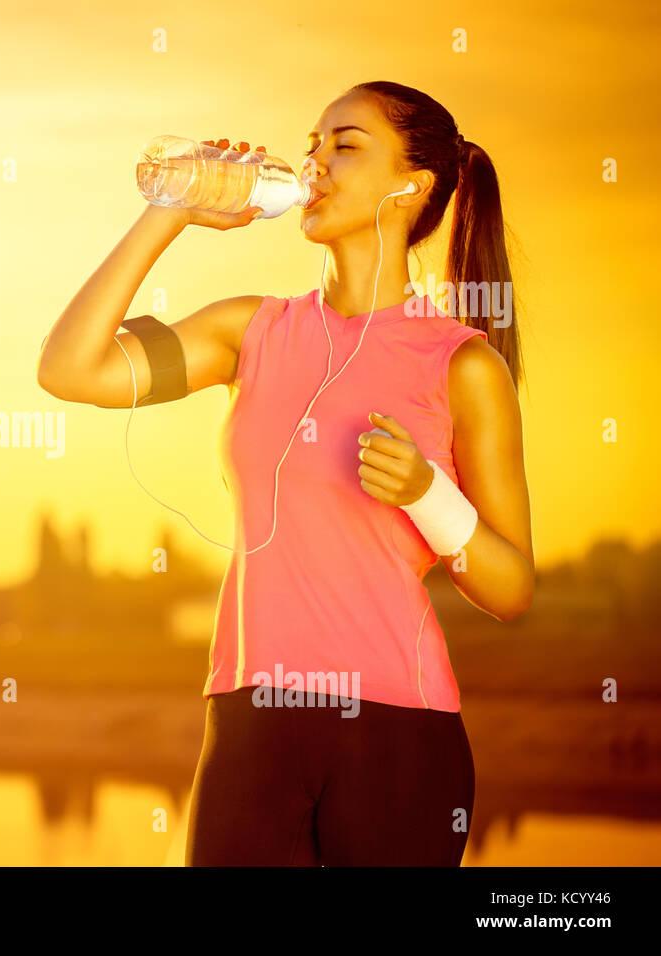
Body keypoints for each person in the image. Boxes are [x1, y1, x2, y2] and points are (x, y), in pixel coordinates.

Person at [36, 81, 534, 865]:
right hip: (249, 721)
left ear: (413, 185)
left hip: (398, 733)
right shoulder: (252, 332)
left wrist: (429, 497)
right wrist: (169, 211)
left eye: (346, 145)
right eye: (313, 144)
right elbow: (70, 370)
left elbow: (510, 587)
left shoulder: (462, 365)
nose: (316, 164)